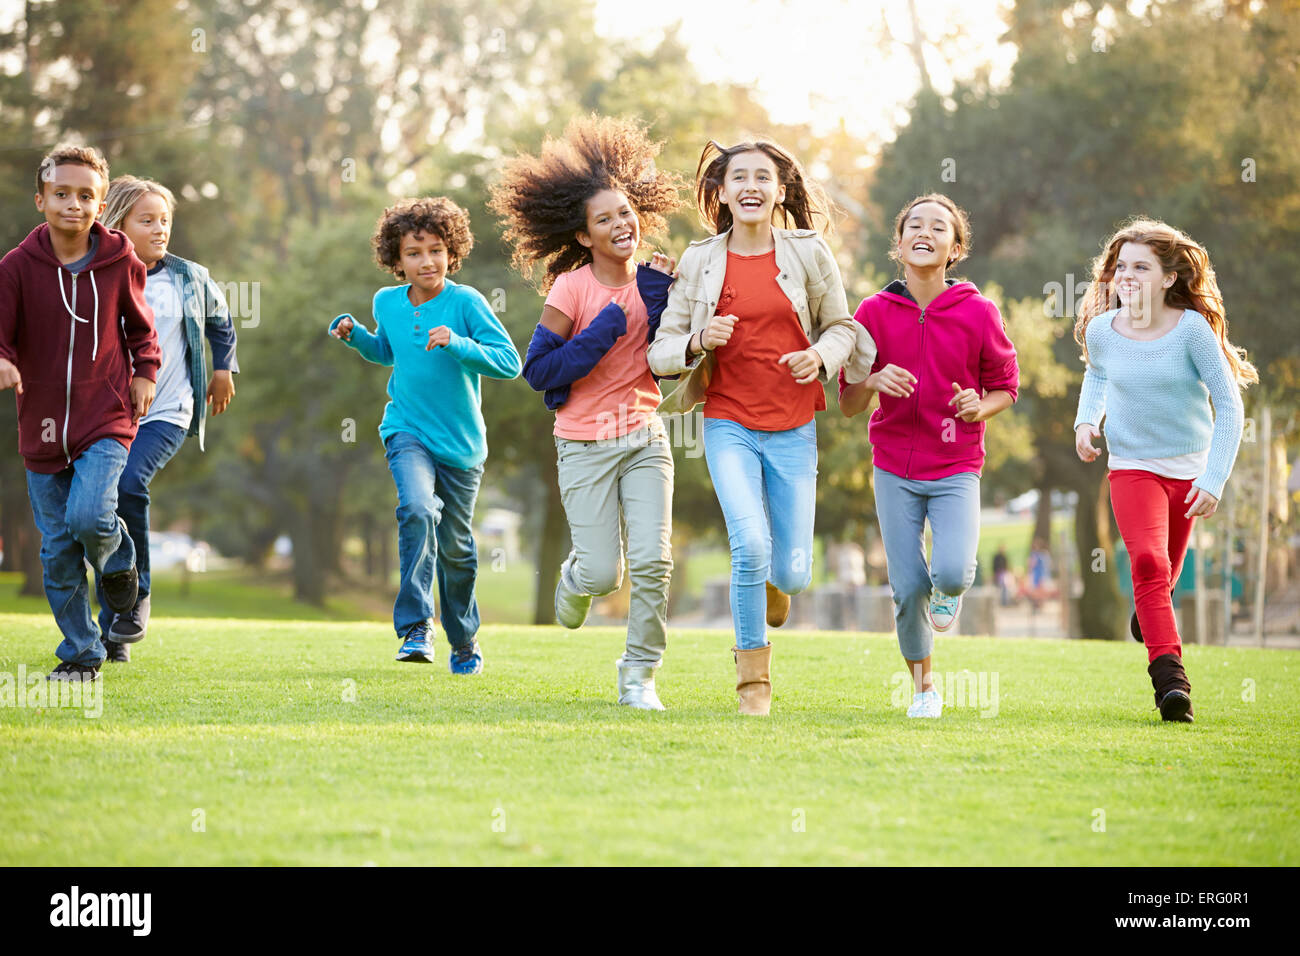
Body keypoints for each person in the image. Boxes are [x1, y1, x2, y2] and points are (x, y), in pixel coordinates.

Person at [648, 138, 872, 716]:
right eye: (738, 177)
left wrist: (821, 357)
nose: (750, 186)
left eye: (762, 177)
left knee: (794, 573)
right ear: (721, 193)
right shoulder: (700, 260)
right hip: (728, 422)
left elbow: (842, 326)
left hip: (794, 425)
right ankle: (753, 683)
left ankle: (780, 577)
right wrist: (700, 340)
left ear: (778, 190)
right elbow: (661, 350)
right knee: (748, 546)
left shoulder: (807, 253)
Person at [490, 115, 682, 710]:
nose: (621, 224)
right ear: (584, 236)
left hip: (644, 437)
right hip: (583, 444)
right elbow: (539, 370)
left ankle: (639, 674)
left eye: (626, 213)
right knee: (606, 576)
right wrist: (601, 333)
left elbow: (676, 353)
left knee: (653, 561)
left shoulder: (658, 282)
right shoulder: (572, 291)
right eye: (605, 219)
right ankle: (576, 576)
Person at [840, 194, 1019, 718]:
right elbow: (848, 403)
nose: (925, 232)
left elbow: (1006, 386)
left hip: (955, 464)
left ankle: (950, 592)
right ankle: (924, 691)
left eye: (938, 227)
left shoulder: (978, 311)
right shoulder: (872, 311)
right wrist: (872, 380)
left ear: (955, 247)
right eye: (913, 225)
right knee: (907, 586)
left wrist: (977, 407)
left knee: (954, 572)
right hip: (893, 464)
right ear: (898, 244)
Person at [329, 196, 521, 673]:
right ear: (395, 260)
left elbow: (509, 362)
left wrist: (457, 343)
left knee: (456, 548)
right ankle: (417, 626)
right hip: (406, 428)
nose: (426, 261)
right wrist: (357, 337)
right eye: (413, 253)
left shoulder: (466, 302)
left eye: (435, 250)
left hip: (460, 446)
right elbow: (387, 352)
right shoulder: (386, 302)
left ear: (451, 252)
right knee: (415, 508)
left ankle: (464, 640)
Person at [1074, 218, 1254, 722]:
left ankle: (1150, 613)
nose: (1126, 276)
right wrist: (1087, 422)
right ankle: (1170, 680)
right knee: (1149, 565)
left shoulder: (1192, 331)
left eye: (1141, 267)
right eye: (1121, 266)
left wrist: (1213, 478)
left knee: (1165, 575)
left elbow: (1229, 406)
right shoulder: (1104, 331)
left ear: (1169, 277)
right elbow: (1098, 375)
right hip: (1131, 465)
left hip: (1190, 471)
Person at [0, 144, 160, 681]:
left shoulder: (121, 263)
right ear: (40, 199)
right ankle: (82, 653)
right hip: (41, 427)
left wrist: (145, 374)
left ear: (100, 203)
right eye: (62, 194)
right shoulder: (16, 269)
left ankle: (120, 562)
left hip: (105, 415)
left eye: (86, 196)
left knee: (90, 516)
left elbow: (142, 331)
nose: (74, 204)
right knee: (58, 551)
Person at [93, 175, 240, 662]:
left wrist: (222, 369)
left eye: (165, 221)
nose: (160, 230)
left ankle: (137, 598)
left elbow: (221, 322)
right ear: (117, 223)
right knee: (94, 510)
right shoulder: (98, 274)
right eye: (147, 221)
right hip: (109, 414)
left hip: (169, 411)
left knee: (129, 485)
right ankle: (111, 626)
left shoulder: (190, 277)